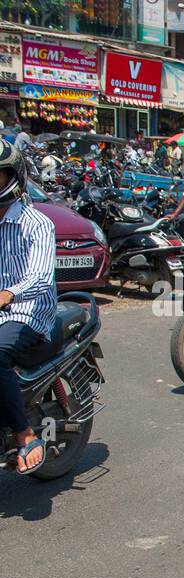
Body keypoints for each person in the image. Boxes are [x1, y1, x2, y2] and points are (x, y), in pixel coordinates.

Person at [0, 141, 57, 474]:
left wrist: (8, 293)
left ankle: (24, 434)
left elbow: (39, 276)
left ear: (11, 176)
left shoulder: (36, 223)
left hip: (29, 312)